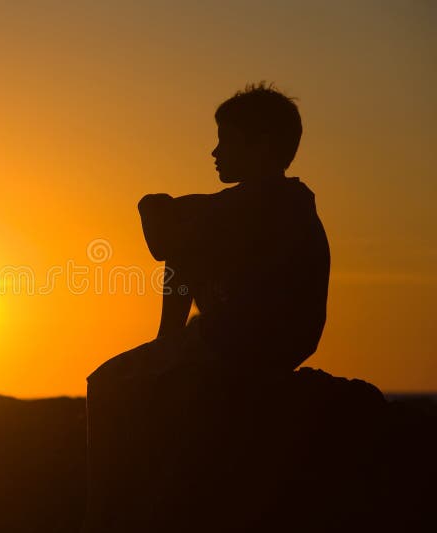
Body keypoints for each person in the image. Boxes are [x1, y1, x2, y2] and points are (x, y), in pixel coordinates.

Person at [82, 82, 331, 532]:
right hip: (279, 340)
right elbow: (180, 233)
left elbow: (161, 234)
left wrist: (152, 205)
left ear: (261, 146)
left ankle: (107, 513)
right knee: (186, 241)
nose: (214, 152)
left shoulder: (261, 202)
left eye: (226, 141)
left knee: (106, 383)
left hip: (245, 340)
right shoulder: (283, 202)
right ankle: (169, 348)